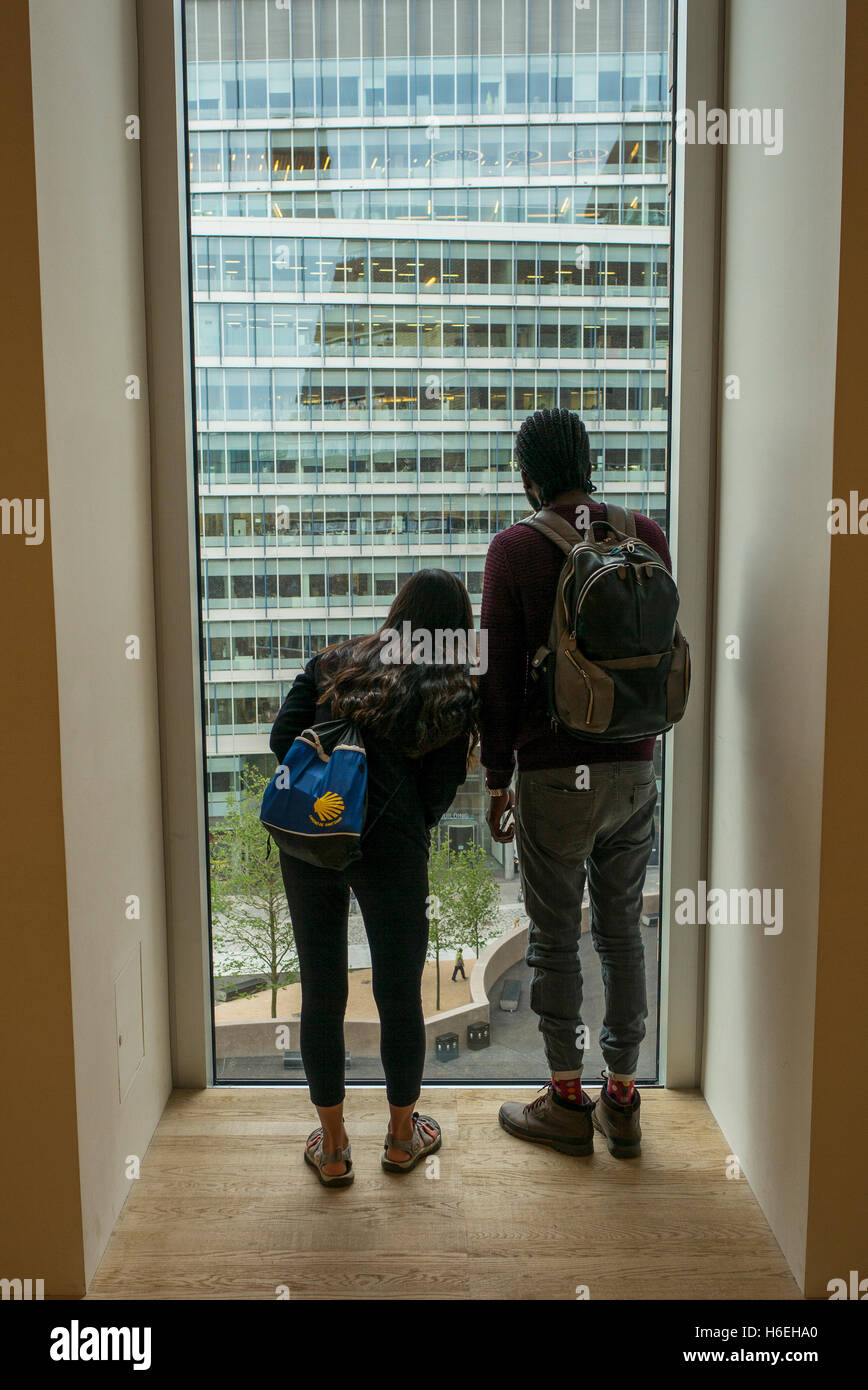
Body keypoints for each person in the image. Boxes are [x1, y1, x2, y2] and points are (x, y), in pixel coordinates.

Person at [479, 408, 671, 1159]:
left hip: (557, 773)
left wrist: (497, 779)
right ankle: (621, 1101)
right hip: (636, 767)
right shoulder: (644, 535)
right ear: (588, 464)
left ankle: (564, 1102)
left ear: (528, 477)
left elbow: (498, 679)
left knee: (556, 940)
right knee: (622, 931)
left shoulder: (516, 548)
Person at [270, 570, 480, 1186]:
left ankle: (333, 1148)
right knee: (398, 994)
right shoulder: (452, 691)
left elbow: (284, 740)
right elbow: (439, 793)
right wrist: (393, 814)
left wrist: (340, 780)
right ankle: (398, 1138)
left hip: (313, 840)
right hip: (393, 850)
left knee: (323, 991)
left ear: (397, 611)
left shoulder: (335, 661)